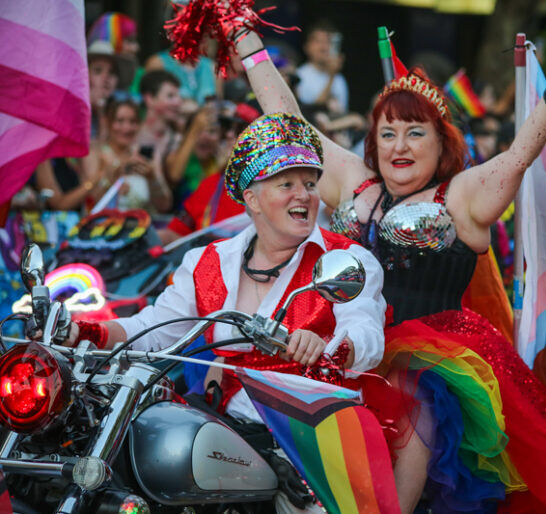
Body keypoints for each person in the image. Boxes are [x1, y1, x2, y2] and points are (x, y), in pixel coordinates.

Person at [233, 22, 546, 513]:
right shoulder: (357, 186)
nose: (398, 146)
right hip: (345, 346)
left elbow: (517, 158)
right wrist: (245, 40)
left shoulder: (463, 195)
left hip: (438, 363)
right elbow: (288, 119)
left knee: (415, 397)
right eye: (387, 133)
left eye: (413, 132)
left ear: (441, 141)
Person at [67, 112, 387, 509]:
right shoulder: (207, 261)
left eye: (309, 183)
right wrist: (86, 331)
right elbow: (156, 328)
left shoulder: (346, 259)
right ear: (251, 198)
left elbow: (367, 333)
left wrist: (330, 346)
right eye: (285, 184)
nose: (303, 195)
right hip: (225, 434)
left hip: (311, 440)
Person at [82, 99, 173, 213]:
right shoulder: (96, 153)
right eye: (119, 121)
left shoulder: (147, 156)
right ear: (108, 122)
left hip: (139, 226)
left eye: (133, 121)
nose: (126, 128)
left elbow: (164, 206)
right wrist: (113, 178)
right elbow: (91, 201)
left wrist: (153, 178)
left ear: (139, 124)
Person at [295, 21, 348, 114]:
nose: (323, 47)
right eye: (318, 41)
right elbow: (309, 113)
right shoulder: (299, 76)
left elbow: (342, 112)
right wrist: (331, 77)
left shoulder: (339, 79)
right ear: (306, 47)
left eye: (328, 42)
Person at [136, 70, 183, 151]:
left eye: (178, 96)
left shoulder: (177, 139)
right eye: (170, 96)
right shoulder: (130, 134)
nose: (178, 102)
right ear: (149, 99)